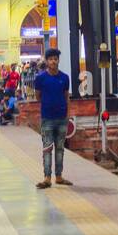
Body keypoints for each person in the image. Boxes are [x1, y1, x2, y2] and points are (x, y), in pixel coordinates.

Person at [34, 48, 73, 189]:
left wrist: (68, 115)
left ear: (58, 60)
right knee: (47, 148)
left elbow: (66, 97)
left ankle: (59, 176)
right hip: (47, 119)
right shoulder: (40, 78)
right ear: (46, 61)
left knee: (60, 149)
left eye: (55, 59)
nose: (53, 61)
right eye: (50, 59)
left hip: (62, 118)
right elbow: (38, 96)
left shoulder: (64, 77)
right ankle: (47, 178)